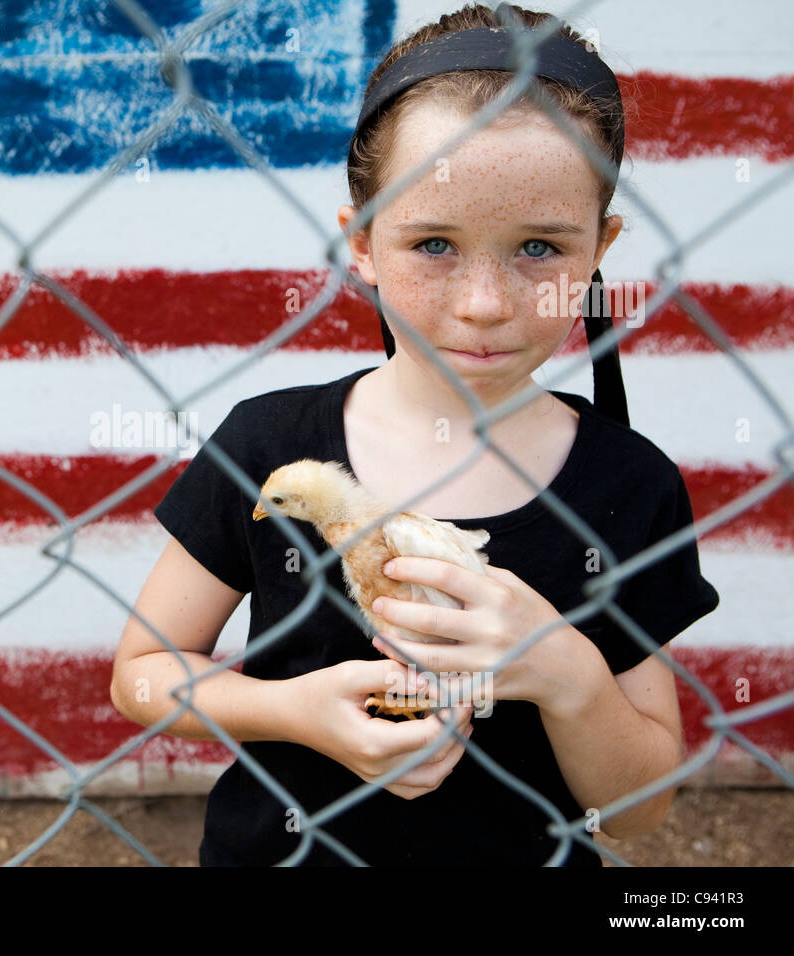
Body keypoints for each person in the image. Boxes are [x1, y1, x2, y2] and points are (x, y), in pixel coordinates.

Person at [110, 2, 719, 866]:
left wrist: (564, 673)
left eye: (540, 248)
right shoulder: (267, 443)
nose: (483, 303)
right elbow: (141, 672)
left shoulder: (630, 486)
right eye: (433, 243)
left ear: (600, 249)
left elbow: (637, 813)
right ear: (359, 243)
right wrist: (294, 712)